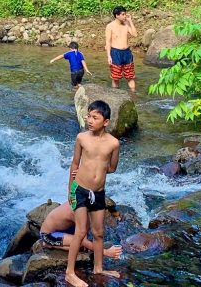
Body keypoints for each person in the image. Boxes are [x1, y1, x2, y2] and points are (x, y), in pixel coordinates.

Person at [65, 100, 120, 287]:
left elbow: (112, 168)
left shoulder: (113, 143)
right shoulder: (82, 138)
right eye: (89, 116)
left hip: (98, 193)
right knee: (81, 231)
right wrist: (70, 189)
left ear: (105, 122)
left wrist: (99, 168)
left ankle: (99, 268)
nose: (90, 120)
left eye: (95, 117)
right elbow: (75, 163)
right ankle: (69, 273)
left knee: (99, 233)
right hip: (80, 190)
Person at [38, 201, 123, 258]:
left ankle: (57, 242)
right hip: (48, 235)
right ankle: (49, 244)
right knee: (81, 245)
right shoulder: (79, 211)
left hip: (66, 229)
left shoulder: (82, 203)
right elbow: (83, 241)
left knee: (87, 242)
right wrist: (105, 252)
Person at [105, 7, 137, 91]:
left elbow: (135, 35)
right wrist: (109, 56)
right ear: (117, 15)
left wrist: (130, 21)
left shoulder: (126, 24)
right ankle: (116, 95)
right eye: (123, 14)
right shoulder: (110, 26)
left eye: (125, 14)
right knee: (116, 77)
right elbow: (108, 42)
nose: (125, 16)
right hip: (115, 52)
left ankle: (133, 96)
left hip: (127, 52)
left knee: (130, 76)